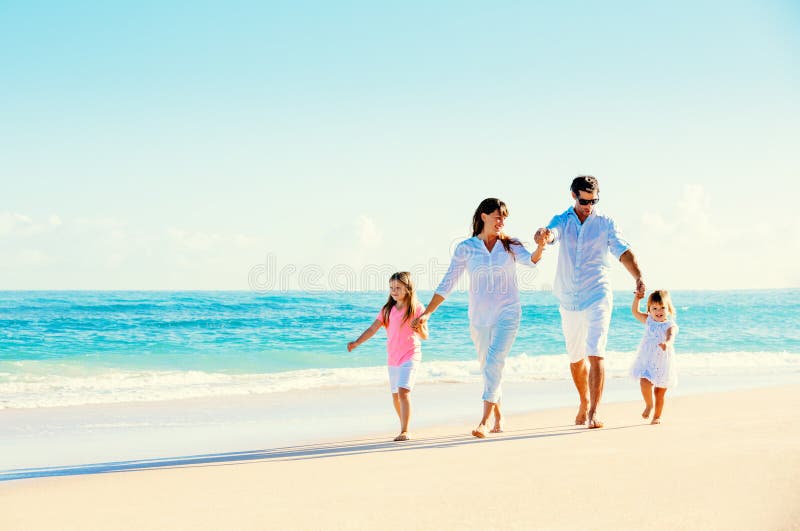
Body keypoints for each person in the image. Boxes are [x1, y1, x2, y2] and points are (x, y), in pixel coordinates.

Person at [412, 198, 545, 438]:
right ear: (484, 216)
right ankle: (499, 415)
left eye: (504, 217)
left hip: (508, 312)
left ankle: (483, 421)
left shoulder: (510, 245)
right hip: (479, 318)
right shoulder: (466, 248)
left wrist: (541, 246)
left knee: (494, 362)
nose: (501, 221)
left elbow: (531, 261)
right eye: (497, 216)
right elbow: (448, 282)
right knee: (488, 367)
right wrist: (428, 312)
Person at [534, 175, 644, 429]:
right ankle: (583, 401)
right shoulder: (562, 219)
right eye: (585, 200)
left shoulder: (605, 223)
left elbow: (623, 252)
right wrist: (543, 235)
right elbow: (551, 234)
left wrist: (638, 276)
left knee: (595, 351)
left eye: (594, 200)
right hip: (568, 298)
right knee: (575, 357)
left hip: (598, 293)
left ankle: (594, 411)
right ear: (574, 195)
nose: (589, 205)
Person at [348, 272, 428, 441]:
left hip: (410, 355)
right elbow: (372, 329)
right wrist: (357, 342)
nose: (394, 291)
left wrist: (418, 328)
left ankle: (405, 431)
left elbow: (425, 335)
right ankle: (404, 425)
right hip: (393, 358)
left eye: (398, 288)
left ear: (408, 289)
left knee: (403, 391)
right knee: (395, 396)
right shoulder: (387, 310)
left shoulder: (417, 308)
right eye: (391, 287)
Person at [629, 289, 678, 424]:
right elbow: (635, 312)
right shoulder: (649, 320)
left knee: (659, 391)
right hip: (648, 360)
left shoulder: (670, 325)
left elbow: (671, 335)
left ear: (669, 309)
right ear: (649, 310)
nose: (659, 311)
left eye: (663, 307)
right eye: (654, 308)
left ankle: (657, 416)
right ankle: (649, 405)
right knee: (644, 382)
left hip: (663, 362)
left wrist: (667, 343)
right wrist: (637, 299)